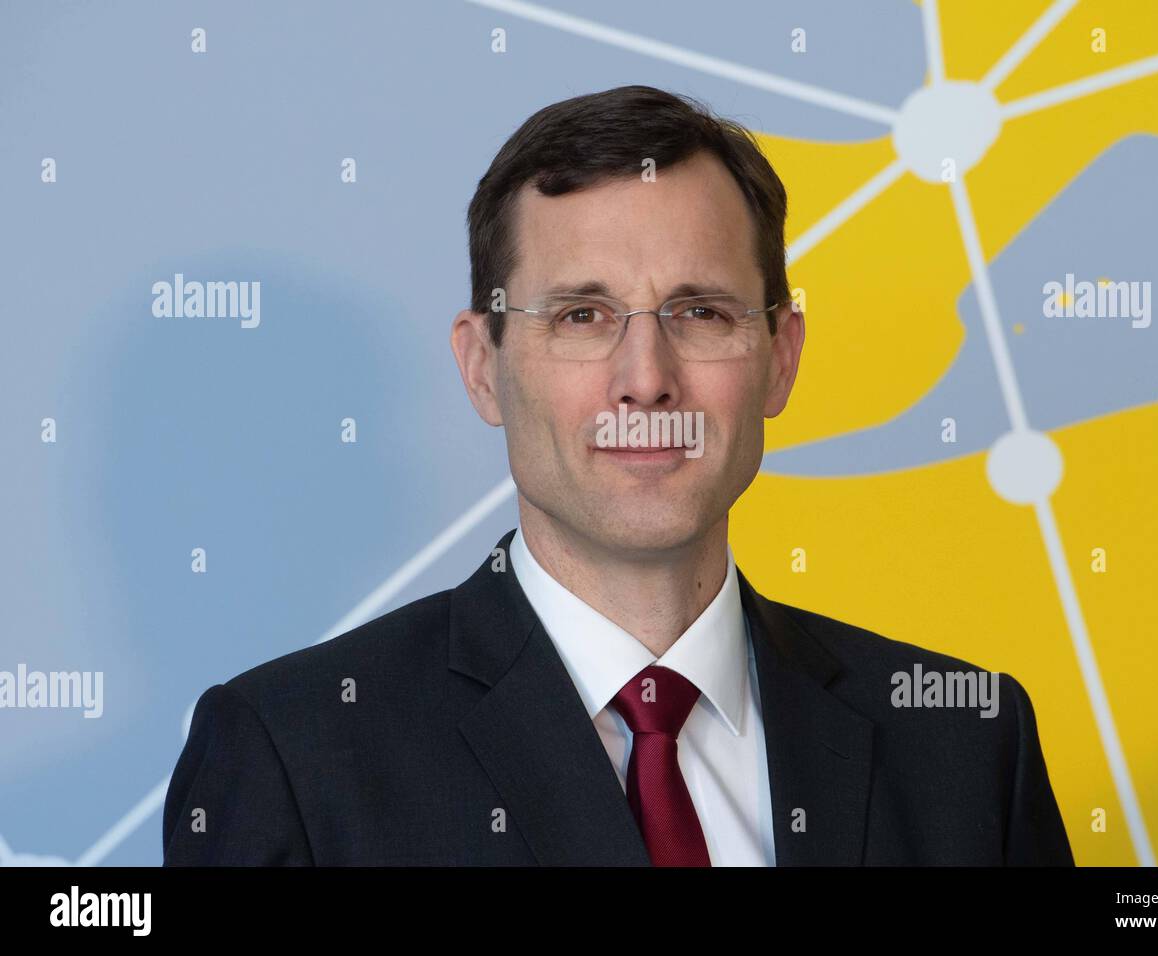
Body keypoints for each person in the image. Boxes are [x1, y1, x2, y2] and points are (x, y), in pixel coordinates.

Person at [163, 84, 1073, 866]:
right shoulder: (294, 755)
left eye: (702, 311)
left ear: (780, 357)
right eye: (582, 316)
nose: (646, 379)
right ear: (484, 365)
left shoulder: (967, 747)